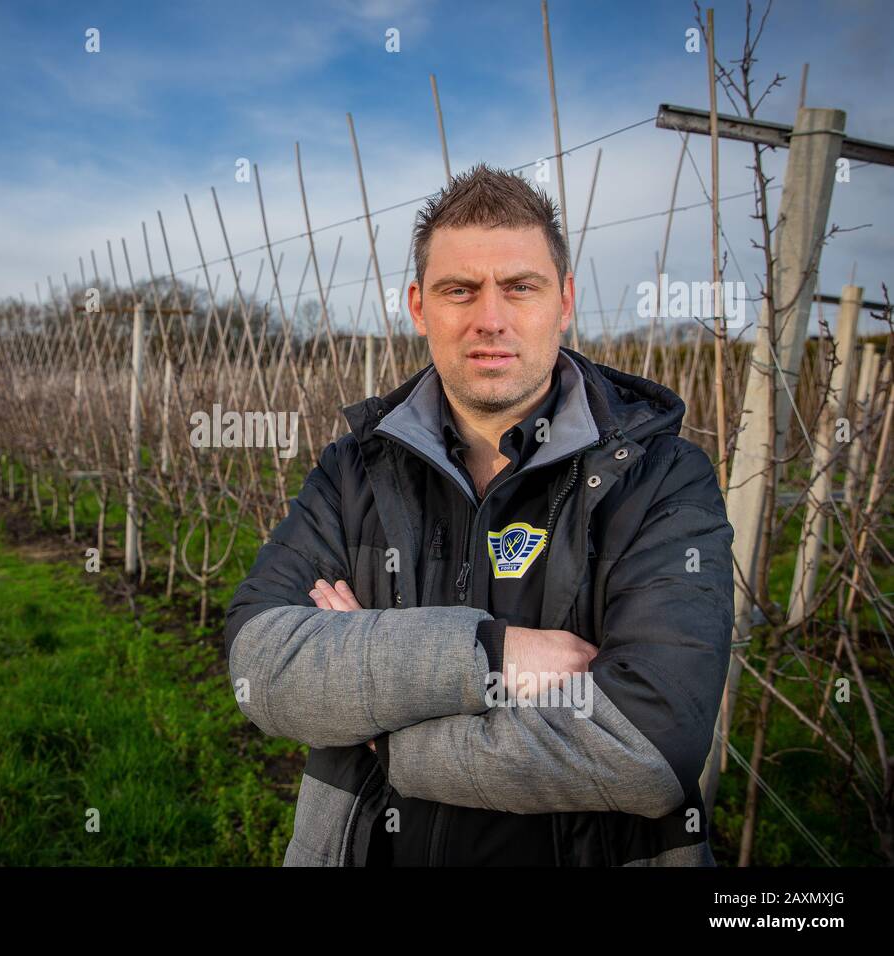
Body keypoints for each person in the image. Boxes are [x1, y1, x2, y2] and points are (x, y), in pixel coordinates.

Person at [224, 163, 734, 866]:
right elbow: (261, 665)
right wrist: (494, 655)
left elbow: (647, 747)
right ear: (418, 306)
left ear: (564, 299)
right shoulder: (352, 472)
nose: (489, 318)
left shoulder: (660, 480)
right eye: (458, 289)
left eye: (519, 287)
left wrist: (382, 726)